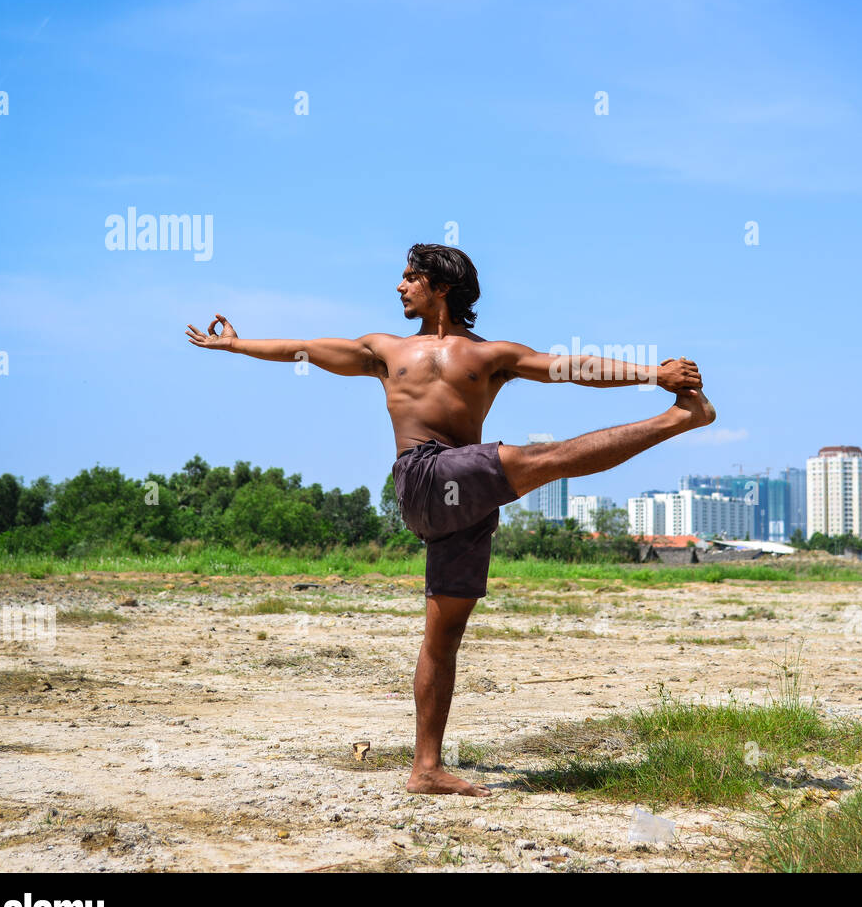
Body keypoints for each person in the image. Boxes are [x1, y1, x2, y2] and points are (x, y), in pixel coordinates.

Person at [186, 243, 714, 795]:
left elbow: (572, 369)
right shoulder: (384, 349)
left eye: (411, 278)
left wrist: (649, 372)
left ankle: (426, 769)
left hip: (465, 504)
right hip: (423, 475)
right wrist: (236, 345)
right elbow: (303, 349)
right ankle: (681, 419)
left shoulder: (492, 356)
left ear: (441, 286)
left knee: (443, 639)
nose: (400, 287)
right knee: (545, 458)